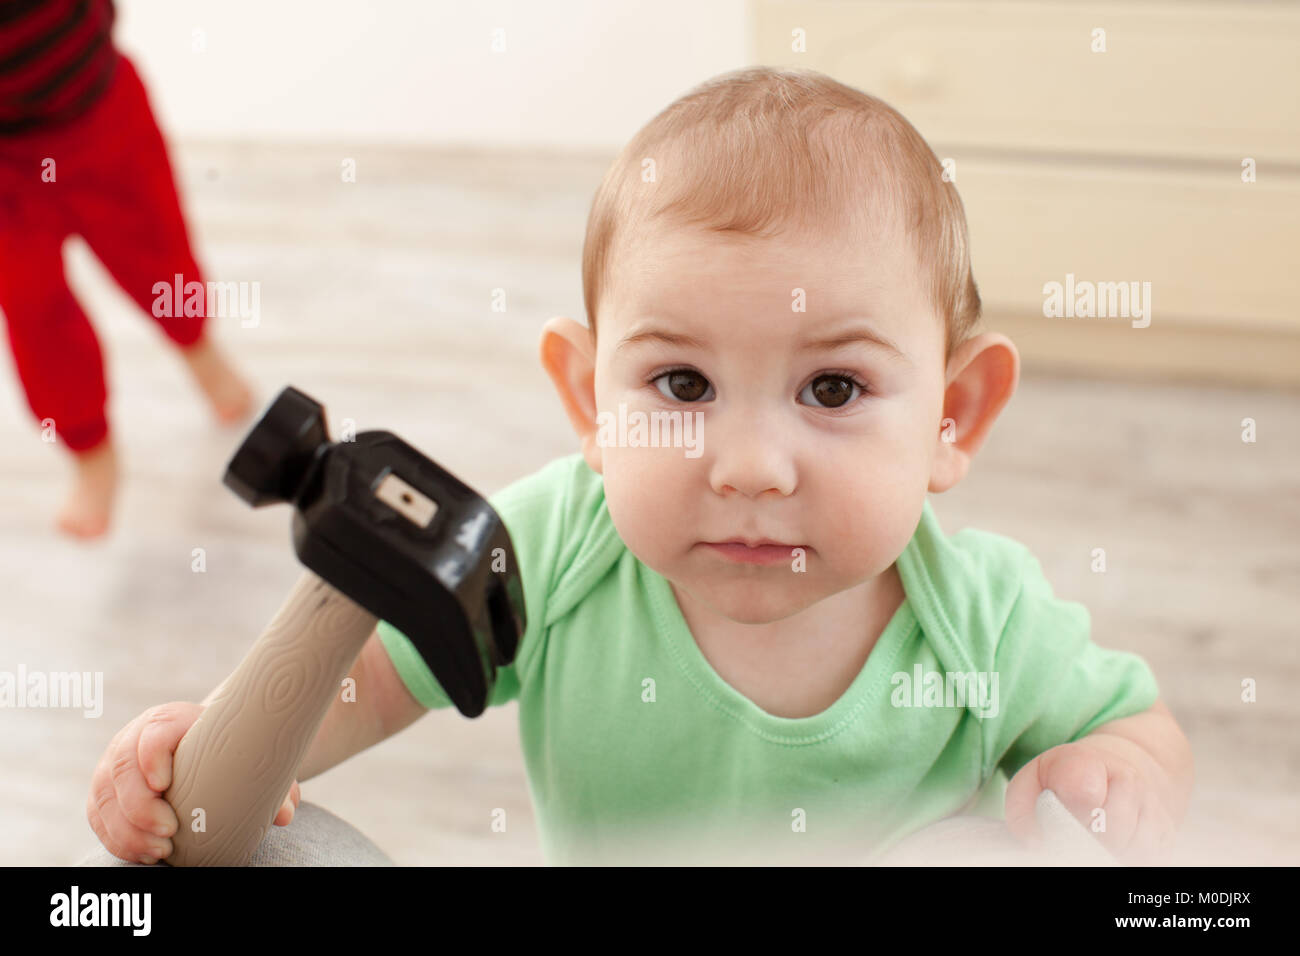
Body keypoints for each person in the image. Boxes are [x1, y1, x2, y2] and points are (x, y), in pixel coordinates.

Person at [83, 67, 1193, 866]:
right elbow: (368, 679)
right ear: (589, 402)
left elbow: (1134, 728)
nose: (752, 466)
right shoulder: (558, 546)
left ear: (952, 416)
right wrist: (219, 744)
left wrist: (1121, 774)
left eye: (833, 389)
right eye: (681, 386)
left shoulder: (983, 620)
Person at [0, 0, 253, 539]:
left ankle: (200, 350)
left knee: (160, 257)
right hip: (6, 164)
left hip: (99, 114)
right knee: (32, 306)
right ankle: (91, 452)